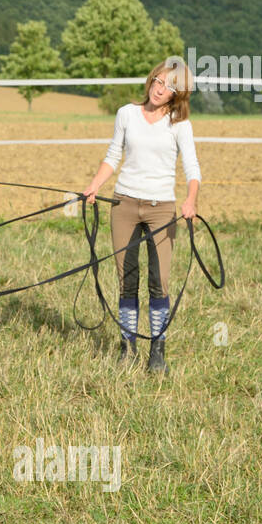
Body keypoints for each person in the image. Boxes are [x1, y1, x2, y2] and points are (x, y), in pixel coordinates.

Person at [83, 59, 201, 373]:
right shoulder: (126, 114)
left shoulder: (180, 124)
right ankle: (128, 347)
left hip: (161, 207)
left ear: (178, 95)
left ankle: (157, 350)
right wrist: (93, 186)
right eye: (158, 82)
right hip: (124, 204)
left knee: (158, 281)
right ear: (151, 80)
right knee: (127, 279)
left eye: (168, 87)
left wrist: (190, 200)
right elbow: (113, 155)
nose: (160, 90)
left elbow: (192, 168)